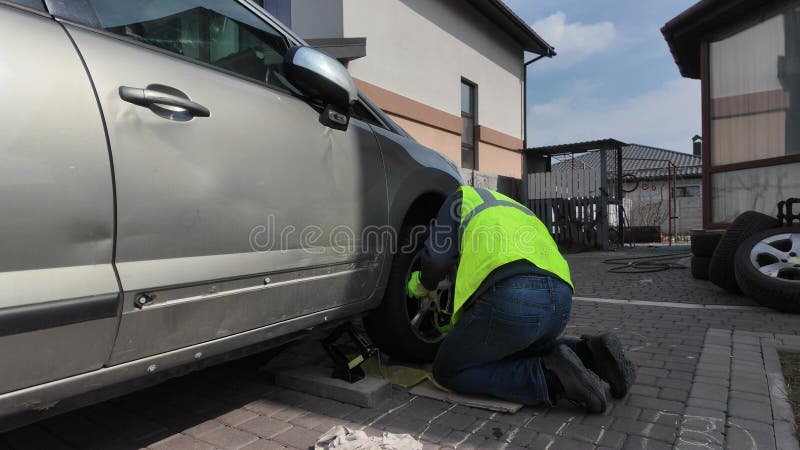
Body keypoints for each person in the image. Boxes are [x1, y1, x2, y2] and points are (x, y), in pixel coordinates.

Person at [406, 186, 636, 412]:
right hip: (561, 300)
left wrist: (420, 284)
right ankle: (593, 354)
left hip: (514, 298)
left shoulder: (458, 199)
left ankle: (550, 379)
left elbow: (436, 261)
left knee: (447, 370)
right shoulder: (513, 208)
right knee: (511, 348)